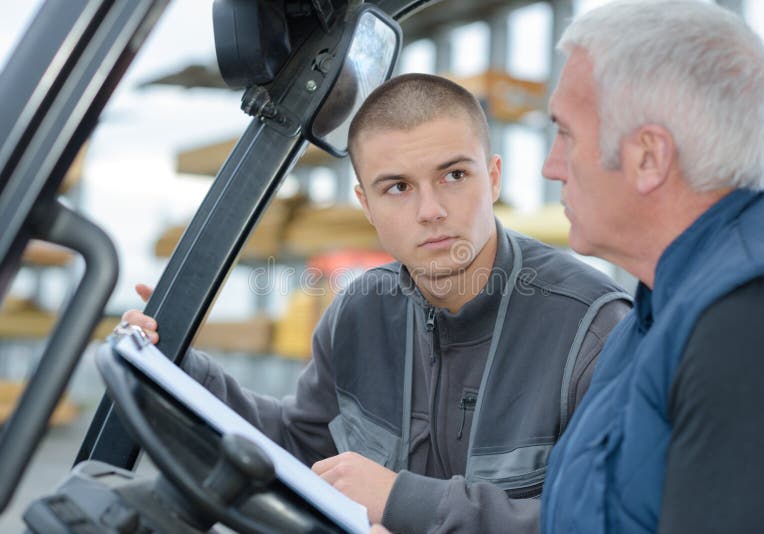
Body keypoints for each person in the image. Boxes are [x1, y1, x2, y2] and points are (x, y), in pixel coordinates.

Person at [125, 73, 631, 532]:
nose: (430, 211)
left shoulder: (593, 329)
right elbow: (302, 448)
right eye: (398, 188)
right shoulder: (357, 314)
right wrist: (182, 368)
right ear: (366, 204)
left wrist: (403, 501)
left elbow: (614, 518)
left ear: (493, 177)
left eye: (454, 175)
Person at [538, 1, 764, 533]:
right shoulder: (657, 312)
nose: (550, 166)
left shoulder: (756, 321)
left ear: (649, 158)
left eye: (565, 133)